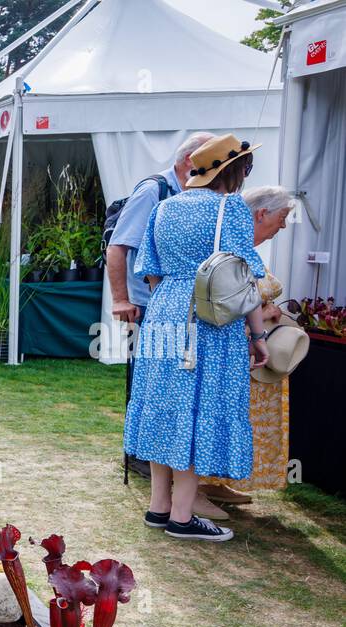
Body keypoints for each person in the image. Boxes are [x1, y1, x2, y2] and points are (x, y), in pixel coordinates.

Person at [123, 134, 269, 543]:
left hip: (165, 310)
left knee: (164, 404)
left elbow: (149, 269)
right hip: (208, 317)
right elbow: (245, 279)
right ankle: (183, 517)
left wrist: (171, 299)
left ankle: (159, 506)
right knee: (196, 404)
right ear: (232, 171)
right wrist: (258, 334)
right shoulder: (231, 209)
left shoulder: (164, 207)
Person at [201, 185, 300, 501]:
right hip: (240, 349)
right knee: (224, 416)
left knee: (244, 421)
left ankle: (218, 482)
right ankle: (201, 485)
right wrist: (260, 316)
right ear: (261, 214)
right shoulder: (232, 249)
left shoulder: (248, 248)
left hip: (257, 352)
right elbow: (222, 301)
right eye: (282, 217)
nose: (283, 225)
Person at [108, 132, 215, 326]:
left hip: (178, 303)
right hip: (146, 305)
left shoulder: (198, 193)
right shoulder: (152, 190)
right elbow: (116, 246)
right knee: (151, 354)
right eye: (212, 156)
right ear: (191, 160)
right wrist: (120, 301)